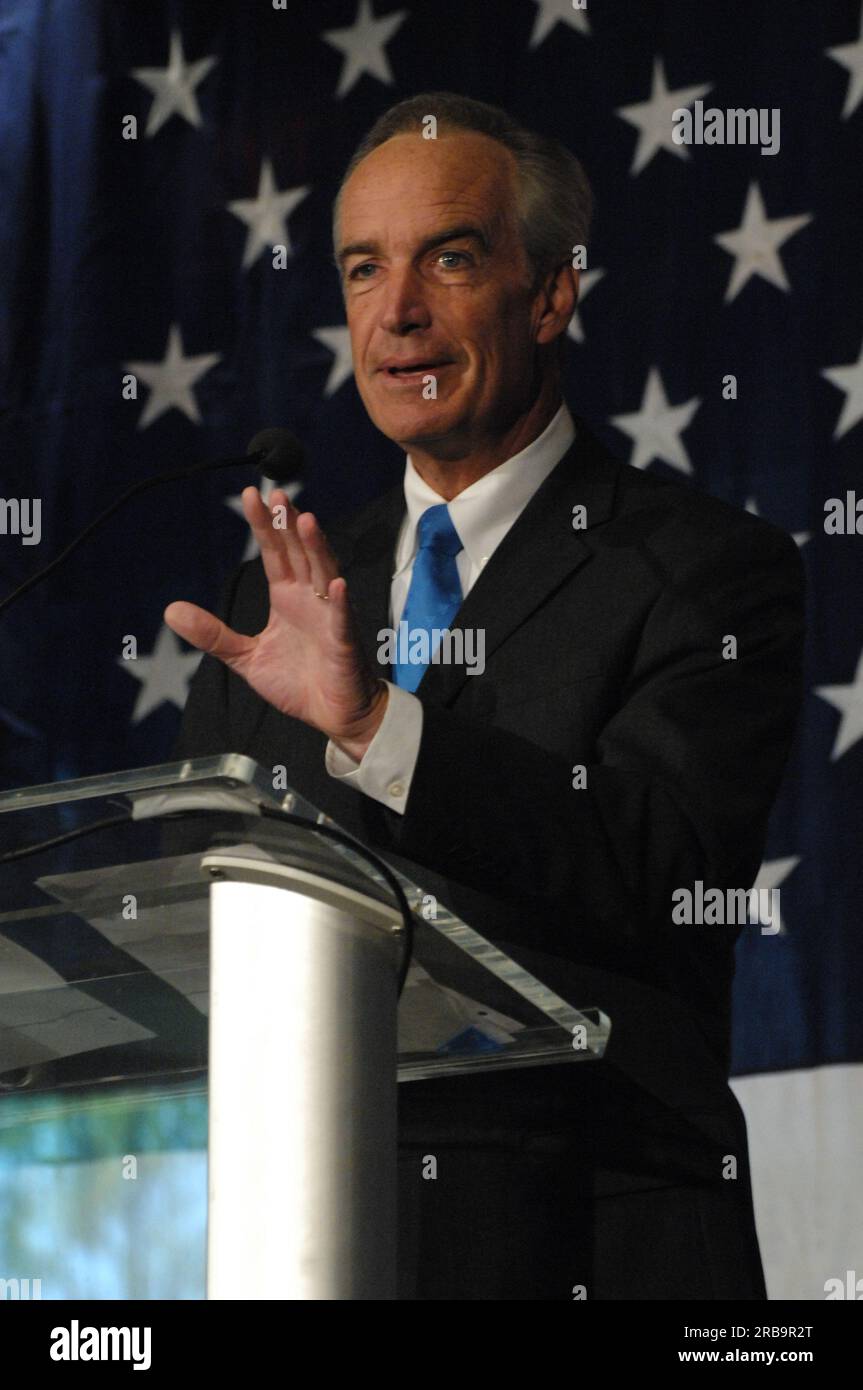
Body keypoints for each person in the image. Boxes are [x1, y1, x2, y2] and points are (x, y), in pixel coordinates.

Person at [167, 93, 805, 1300]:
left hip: (595, 1234)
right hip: (306, 1232)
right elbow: (200, 928)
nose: (395, 311)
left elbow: (662, 865)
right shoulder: (285, 597)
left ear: (551, 292)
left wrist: (375, 726)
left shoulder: (700, 568)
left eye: (447, 259)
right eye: (363, 269)